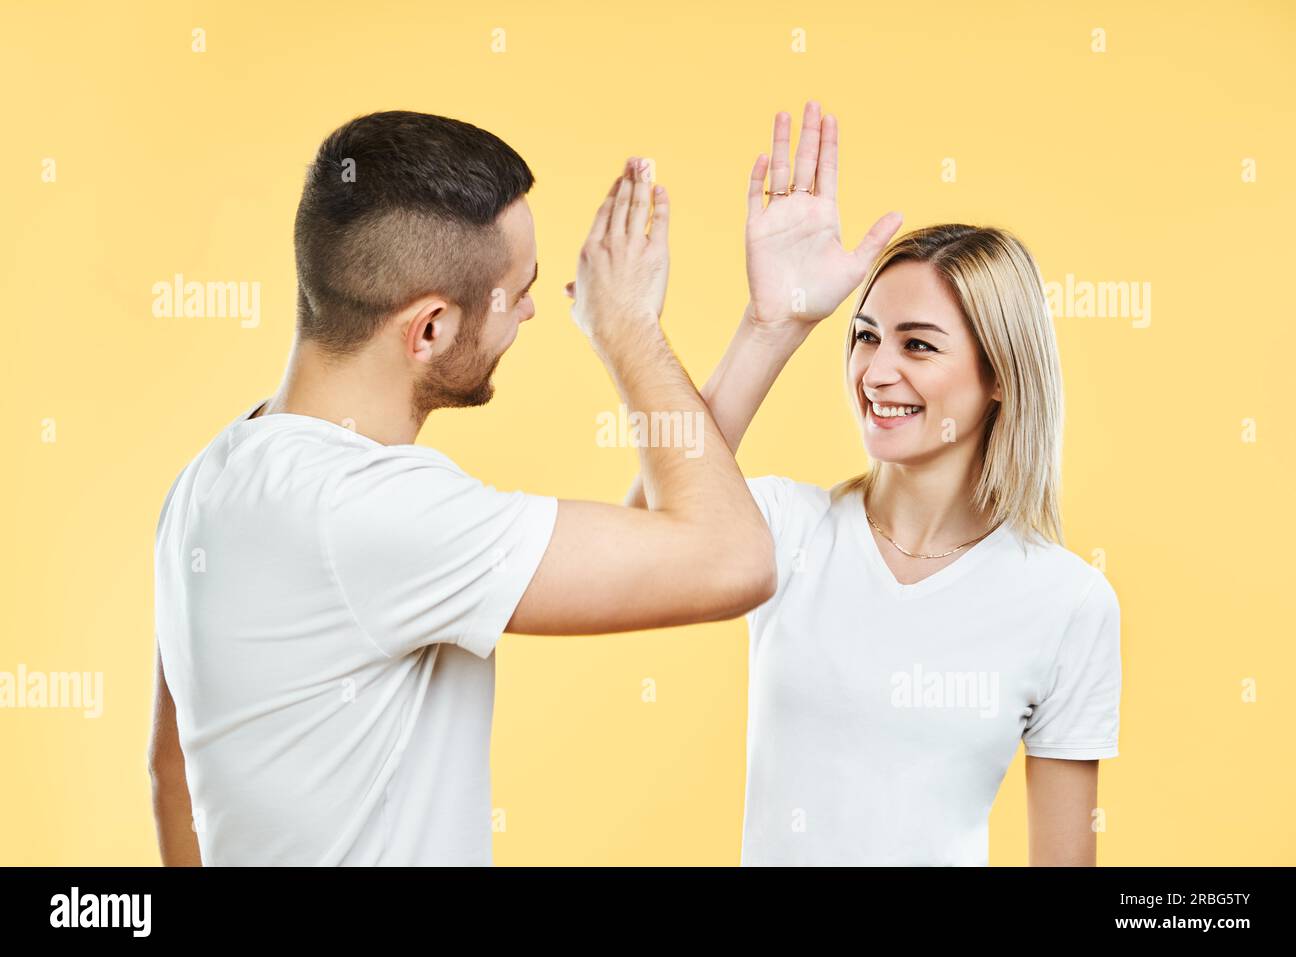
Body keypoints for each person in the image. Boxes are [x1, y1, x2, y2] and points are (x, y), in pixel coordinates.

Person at [148, 111, 776, 866]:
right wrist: (627, 329)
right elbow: (732, 556)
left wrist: (768, 329)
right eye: (518, 292)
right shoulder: (370, 511)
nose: (535, 310)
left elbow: (174, 766)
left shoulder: (215, 476)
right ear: (431, 329)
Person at [623, 102, 1122, 866]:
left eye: (918, 345)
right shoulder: (788, 530)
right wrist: (772, 324)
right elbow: (633, 553)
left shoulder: (1067, 602)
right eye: (865, 336)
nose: (877, 372)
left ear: (999, 376)